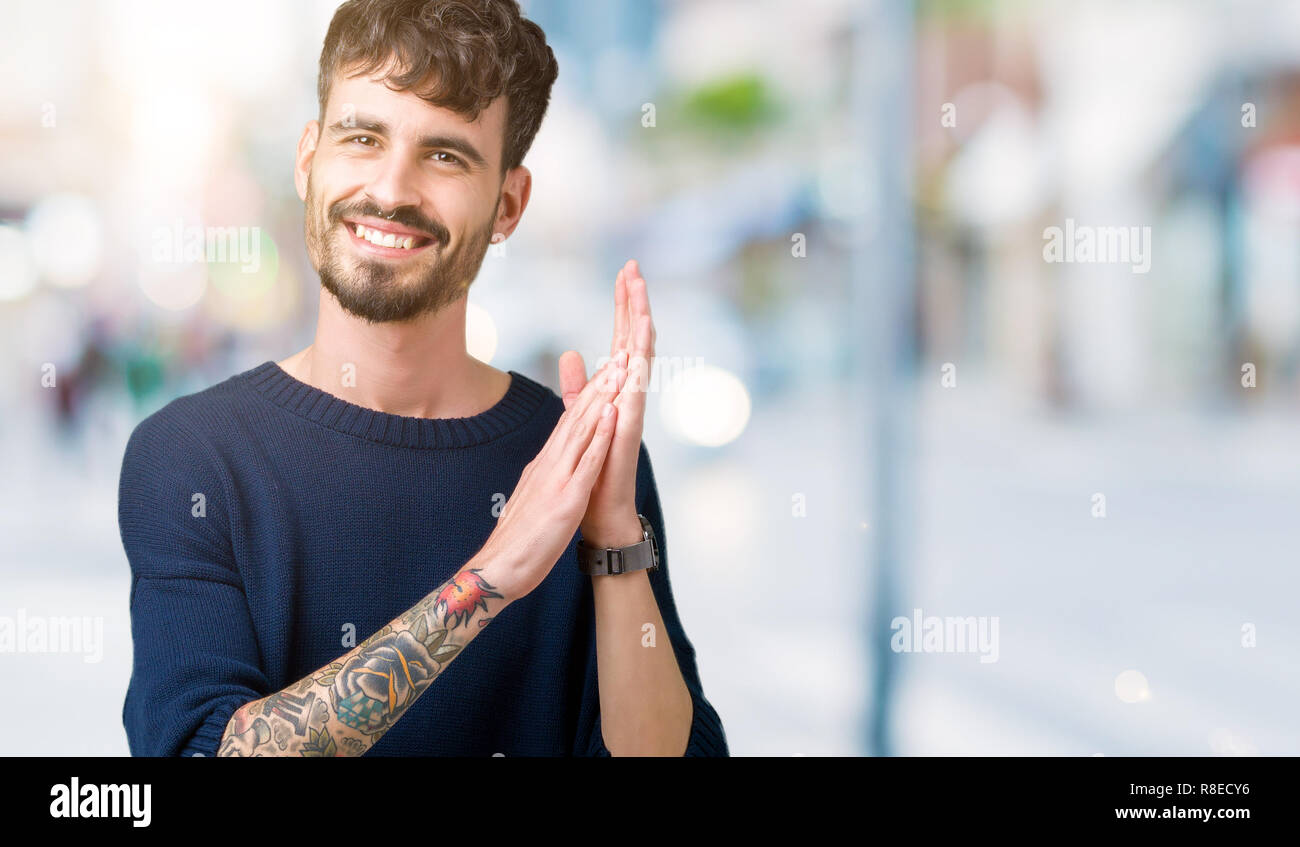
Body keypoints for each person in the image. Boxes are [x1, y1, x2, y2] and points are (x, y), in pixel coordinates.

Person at [118, 0, 728, 757]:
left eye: (445, 155)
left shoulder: (578, 463)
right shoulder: (192, 456)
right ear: (308, 159)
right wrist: (493, 575)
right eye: (363, 137)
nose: (392, 188)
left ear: (508, 203)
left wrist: (611, 539)